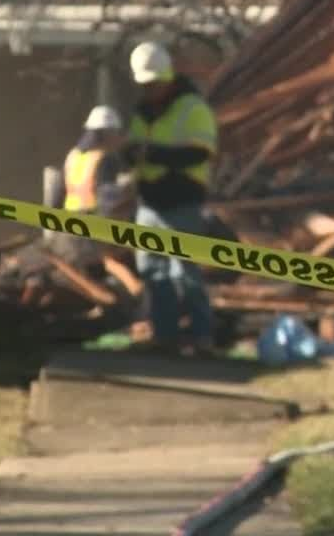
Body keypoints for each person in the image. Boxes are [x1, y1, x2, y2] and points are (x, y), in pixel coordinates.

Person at [123, 41, 219, 356]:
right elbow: (135, 149)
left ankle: (202, 337)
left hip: (182, 202)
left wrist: (152, 155)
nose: (149, 90)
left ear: (166, 78)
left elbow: (199, 153)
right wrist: (129, 154)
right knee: (153, 272)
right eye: (145, 85)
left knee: (184, 273)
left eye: (152, 84)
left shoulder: (193, 109)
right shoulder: (143, 112)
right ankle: (165, 336)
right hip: (150, 204)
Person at [62, 105, 128, 216]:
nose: (118, 138)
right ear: (107, 133)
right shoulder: (104, 159)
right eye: (116, 133)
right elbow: (108, 202)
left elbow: (59, 193)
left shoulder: (73, 155)